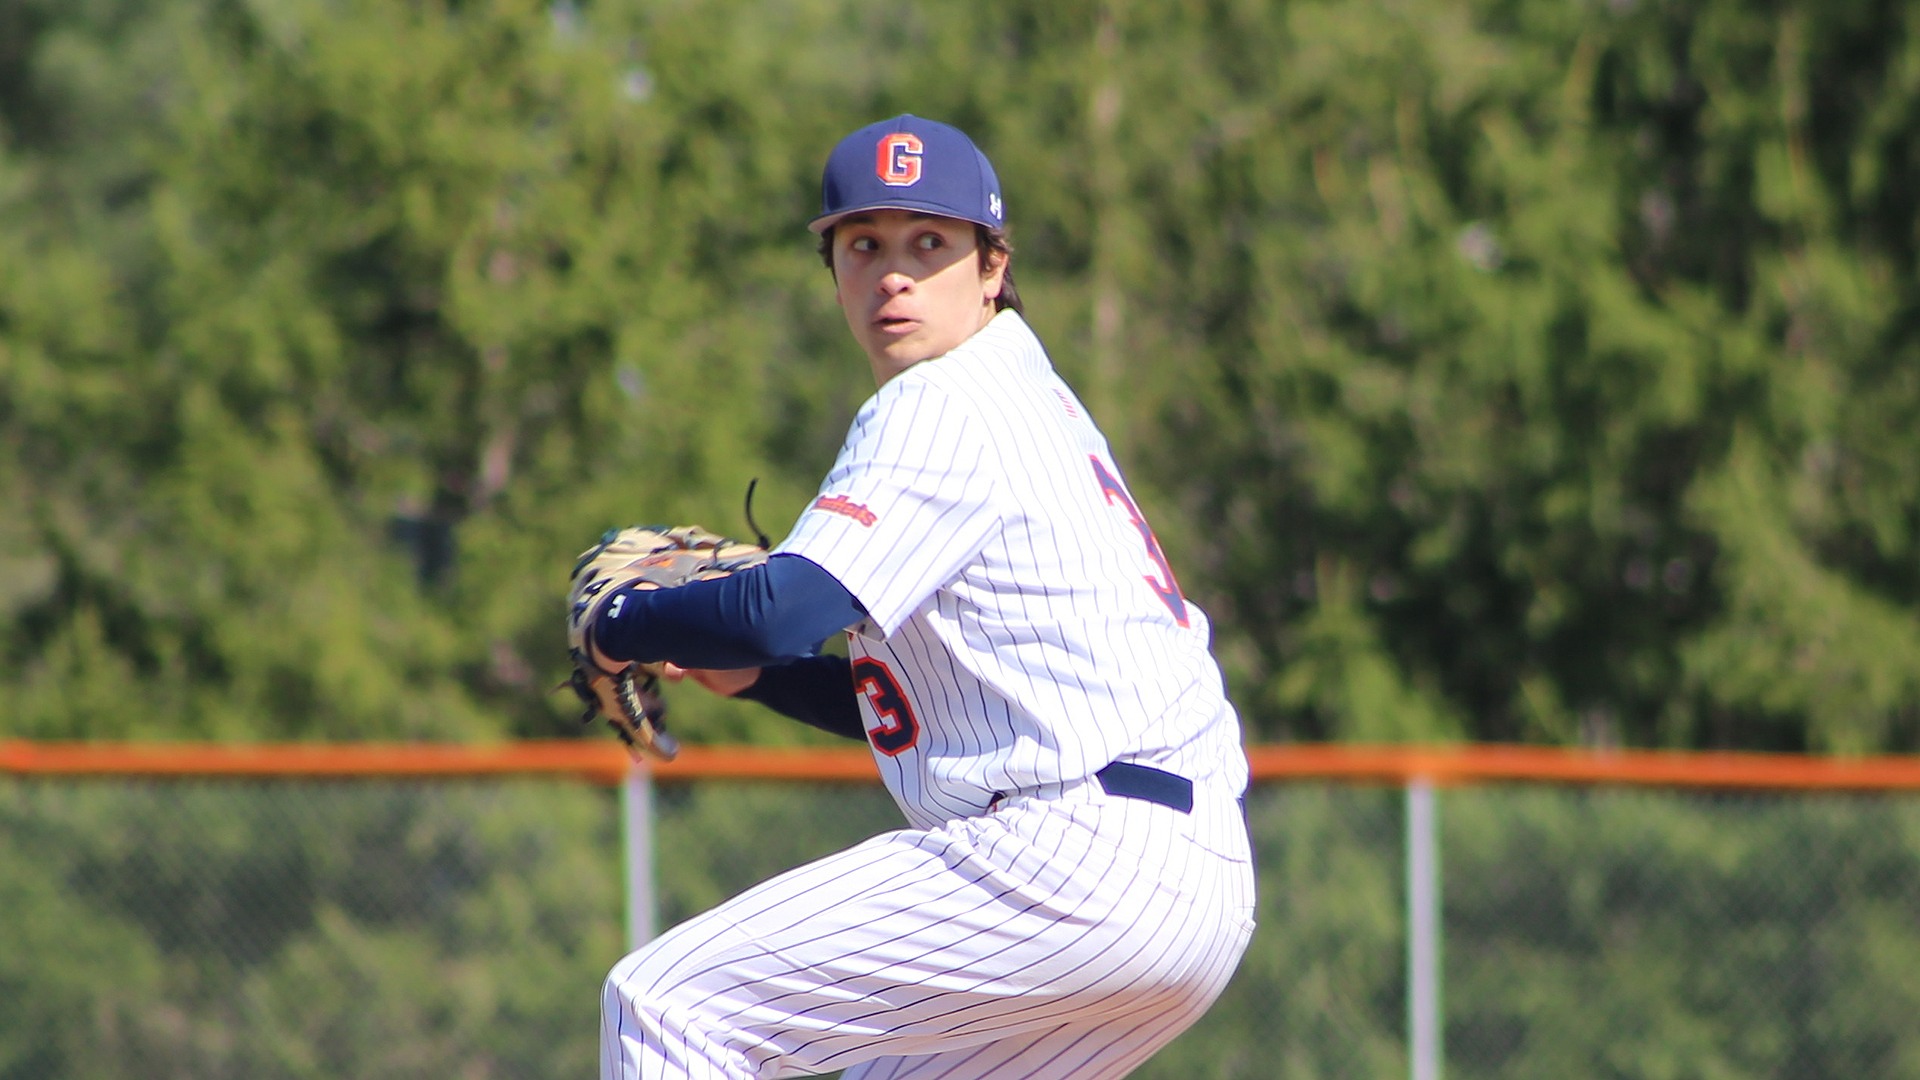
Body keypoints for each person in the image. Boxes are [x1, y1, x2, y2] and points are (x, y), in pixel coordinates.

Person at [583, 114, 1256, 1080]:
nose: (893, 273)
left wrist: (623, 624)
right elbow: (955, 707)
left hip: (1073, 858)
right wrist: (761, 681)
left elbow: (783, 609)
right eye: (864, 245)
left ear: (991, 268)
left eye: (928, 243)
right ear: (834, 271)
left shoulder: (941, 400)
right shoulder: (1034, 398)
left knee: (668, 1006)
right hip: (1187, 882)